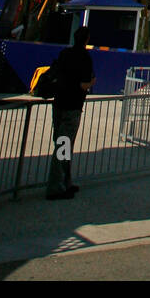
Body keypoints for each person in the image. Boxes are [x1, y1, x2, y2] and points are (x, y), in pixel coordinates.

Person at [46, 25, 94, 199]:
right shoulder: (84, 57)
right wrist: (91, 83)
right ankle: (55, 187)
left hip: (59, 103)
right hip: (72, 106)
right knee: (64, 145)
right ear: (87, 39)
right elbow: (83, 84)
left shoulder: (65, 54)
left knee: (63, 143)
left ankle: (65, 182)